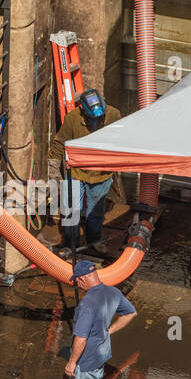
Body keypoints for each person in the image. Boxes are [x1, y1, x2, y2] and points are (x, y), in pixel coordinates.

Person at [49, 88, 122, 256]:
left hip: (102, 174)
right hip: (76, 173)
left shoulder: (114, 115)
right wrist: (54, 171)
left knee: (95, 213)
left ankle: (94, 241)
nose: (97, 121)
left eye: (100, 118)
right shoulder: (72, 119)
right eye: (92, 118)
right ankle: (70, 244)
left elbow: (122, 138)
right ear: (83, 110)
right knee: (70, 212)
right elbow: (60, 144)